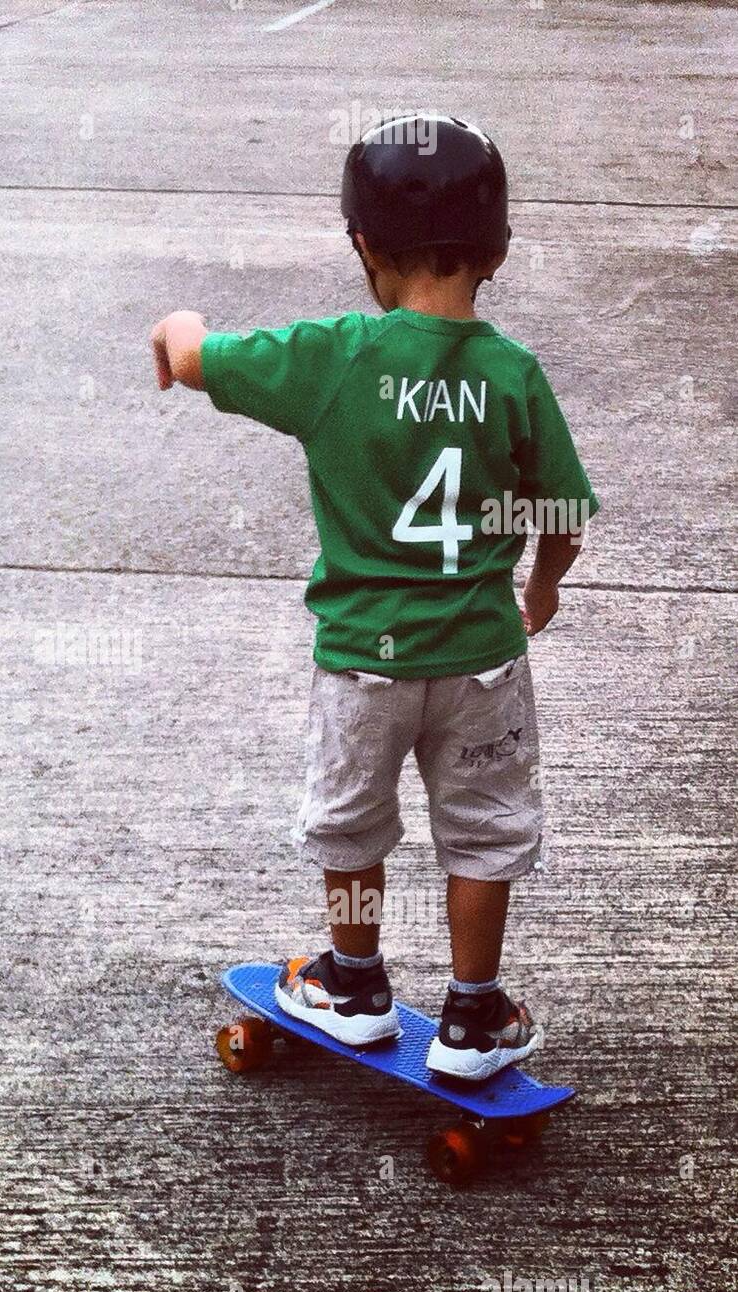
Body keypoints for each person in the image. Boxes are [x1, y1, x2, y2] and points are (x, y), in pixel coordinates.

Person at [149, 114, 599, 1080]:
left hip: (363, 663)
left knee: (352, 824)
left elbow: (197, 358)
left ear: (362, 243)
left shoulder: (333, 356)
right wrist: (544, 583)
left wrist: (178, 330)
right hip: (481, 657)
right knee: (483, 833)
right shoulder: (515, 375)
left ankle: (354, 981)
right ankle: (475, 1016)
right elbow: (562, 510)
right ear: (501, 249)